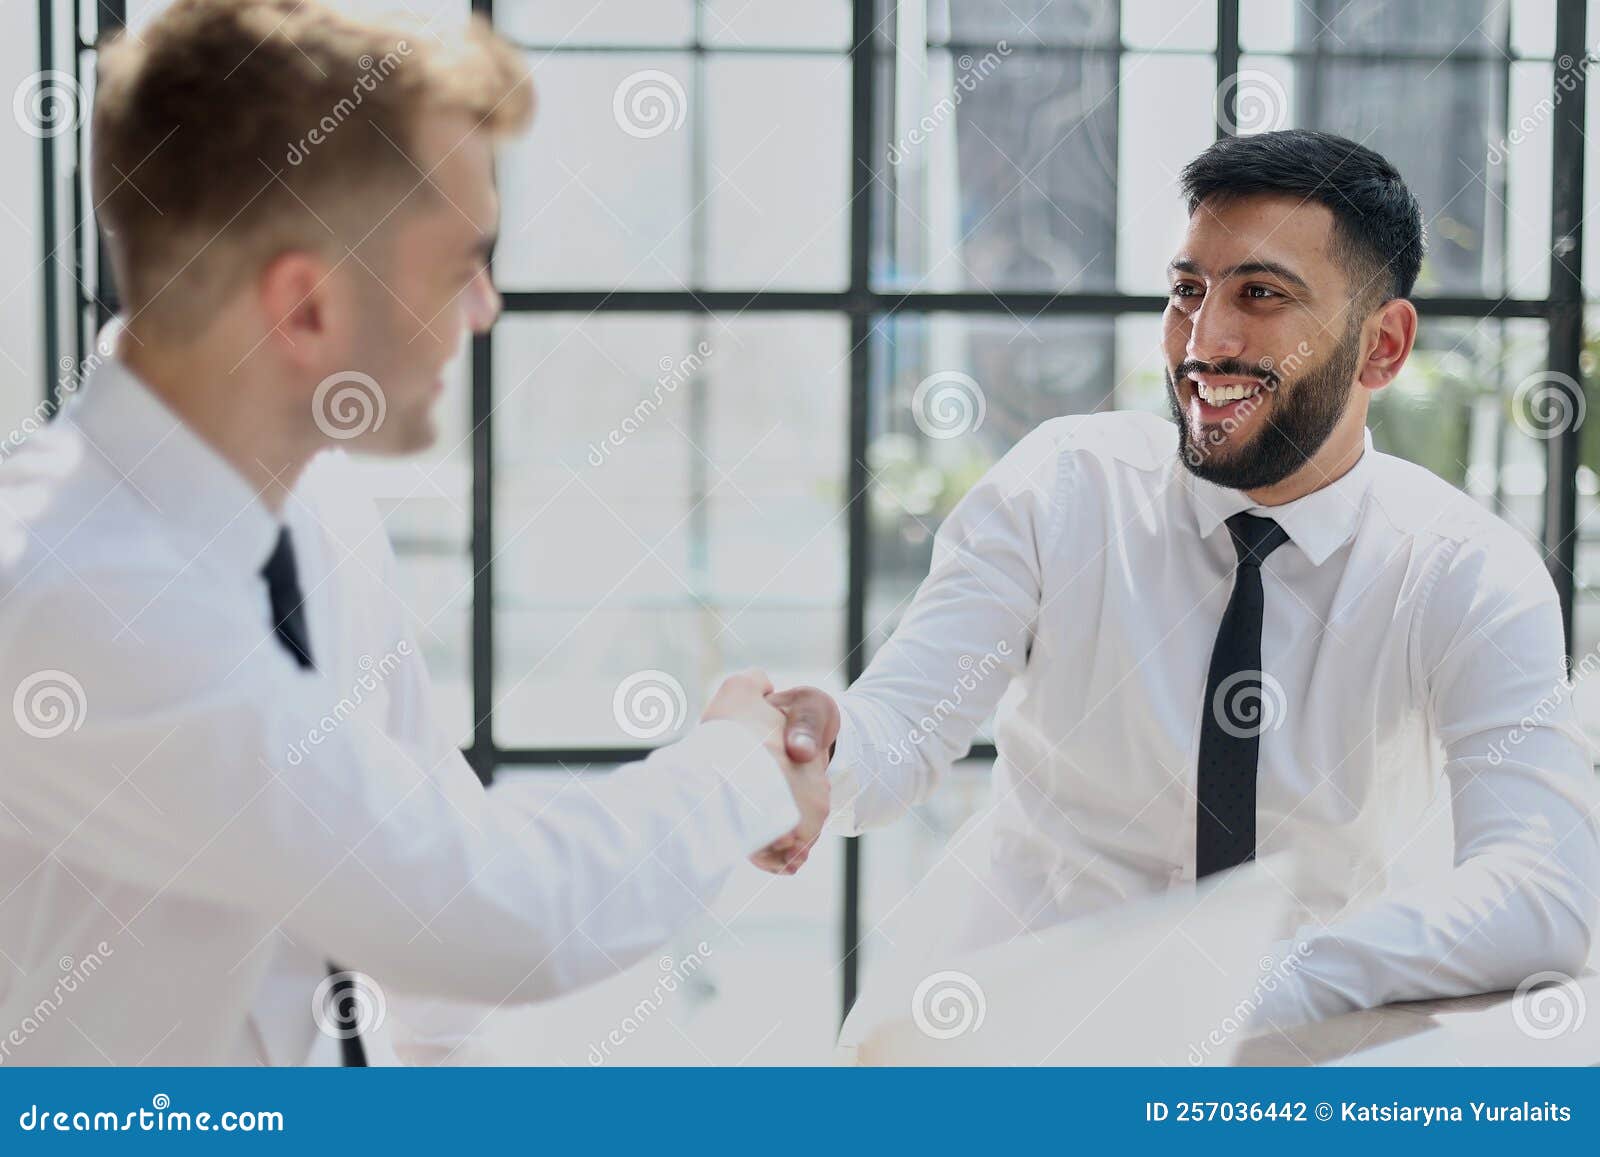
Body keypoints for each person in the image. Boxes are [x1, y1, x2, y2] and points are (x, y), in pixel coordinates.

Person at [0, 0, 834, 1065]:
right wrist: (743, 762)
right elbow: (479, 907)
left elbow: (417, 876)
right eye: (460, 264)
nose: (484, 306)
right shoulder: (76, 596)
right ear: (305, 309)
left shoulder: (316, 499)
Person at [790, 129, 1599, 1028]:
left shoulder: (1466, 571)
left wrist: (1238, 988)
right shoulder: (1061, 487)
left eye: (1260, 293)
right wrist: (819, 752)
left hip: (1294, 1040)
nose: (1202, 339)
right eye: (1187, 291)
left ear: (1382, 346)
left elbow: (1544, 891)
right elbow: (896, 737)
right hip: (1010, 1017)